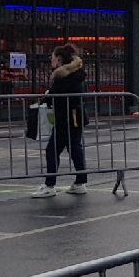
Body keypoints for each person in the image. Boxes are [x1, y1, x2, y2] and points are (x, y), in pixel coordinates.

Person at [31, 43, 88, 198]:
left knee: (53, 150)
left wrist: (48, 95)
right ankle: (80, 182)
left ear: (60, 59)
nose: (51, 61)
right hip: (75, 117)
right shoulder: (77, 74)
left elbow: (54, 97)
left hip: (66, 118)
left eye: (53, 58)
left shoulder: (62, 76)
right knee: (74, 148)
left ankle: (50, 185)